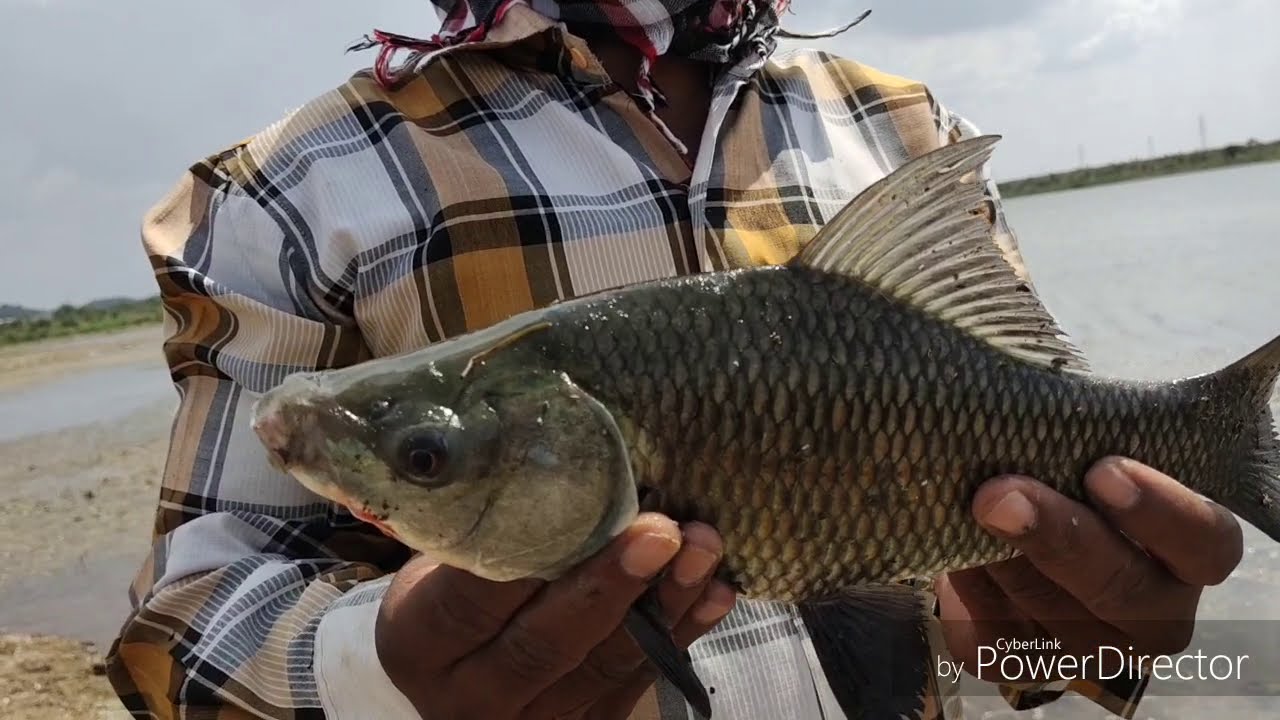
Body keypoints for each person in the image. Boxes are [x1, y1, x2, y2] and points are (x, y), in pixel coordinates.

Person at [104, 1, 1245, 718]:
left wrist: (1062, 638)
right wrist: (376, 681)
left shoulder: (905, 130)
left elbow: (991, 621)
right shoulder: (287, 191)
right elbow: (182, 626)